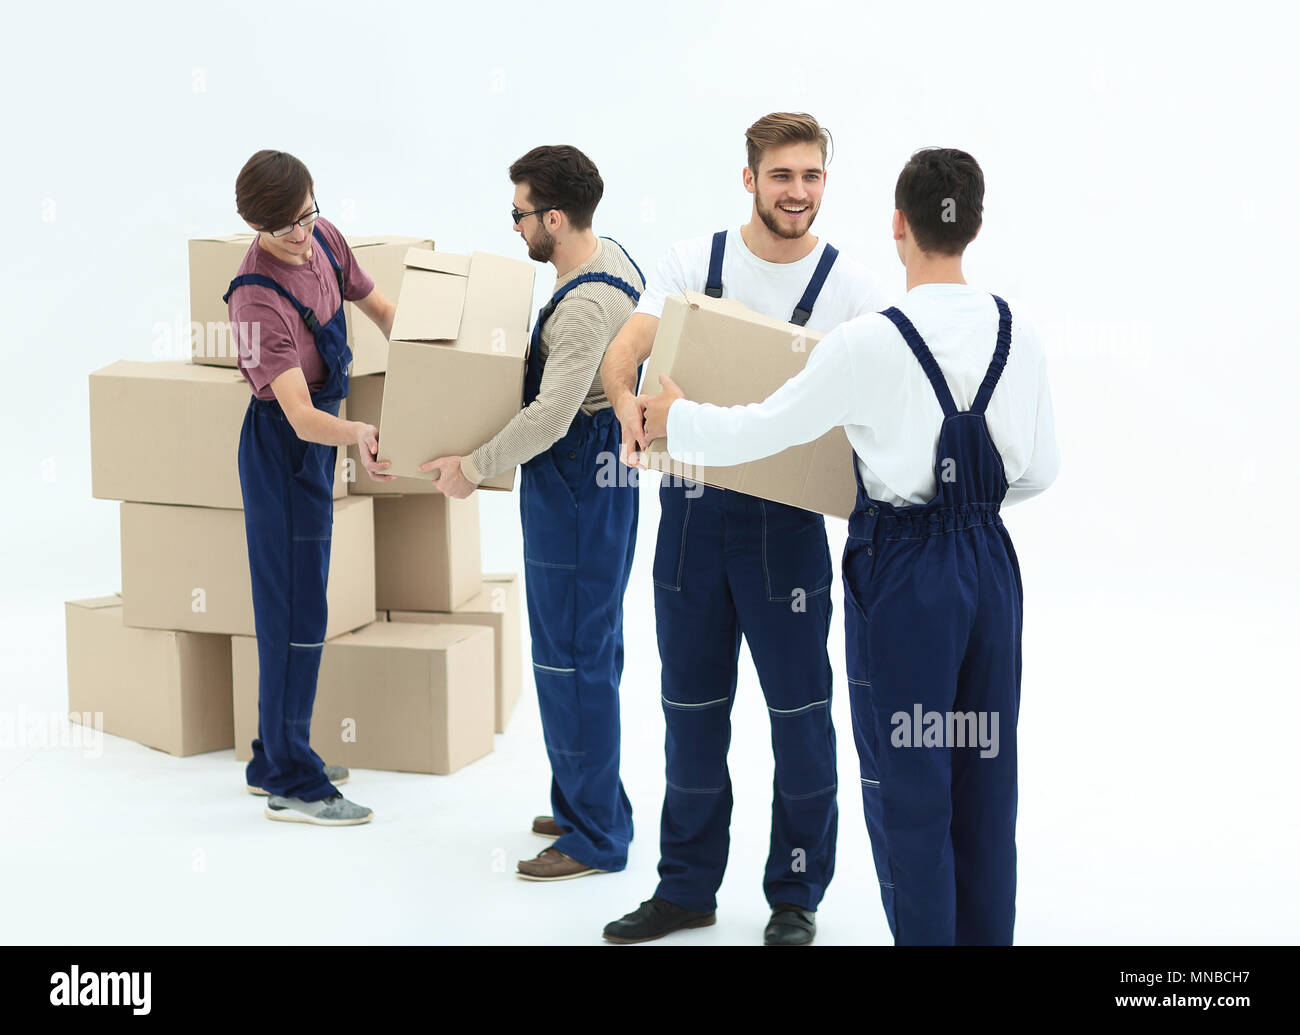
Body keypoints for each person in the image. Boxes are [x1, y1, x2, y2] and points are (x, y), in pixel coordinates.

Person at [642, 147, 1061, 944]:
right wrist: (970, 508)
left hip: (905, 574)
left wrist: (677, 420)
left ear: (898, 224)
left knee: (910, 789)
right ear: (974, 225)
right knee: (985, 781)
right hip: (990, 570)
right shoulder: (1021, 331)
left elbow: (763, 430)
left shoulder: (870, 342)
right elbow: (1039, 472)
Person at [599, 113, 890, 945]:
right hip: (689, 519)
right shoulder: (699, 263)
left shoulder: (855, 289)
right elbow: (630, 345)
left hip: (787, 531)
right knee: (691, 714)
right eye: (781, 176)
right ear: (750, 179)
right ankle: (686, 887)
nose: (796, 192)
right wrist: (627, 404)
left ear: (825, 180)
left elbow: (896, 380)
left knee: (800, 719)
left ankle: (795, 894)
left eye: (811, 176)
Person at [418, 146, 645, 880]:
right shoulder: (611, 256)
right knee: (592, 647)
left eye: (519, 214)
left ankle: (594, 838)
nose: (514, 228)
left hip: (576, 473)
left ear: (554, 216)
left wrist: (473, 467)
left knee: (569, 655)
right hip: (596, 469)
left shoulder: (581, 306)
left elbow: (549, 417)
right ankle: (592, 800)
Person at [225, 149, 395, 826]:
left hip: (316, 446)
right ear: (258, 226)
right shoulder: (255, 296)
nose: (301, 235)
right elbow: (298, 413)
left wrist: (436, 359)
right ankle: (293, 781)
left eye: (305, 215)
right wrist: (357, 436)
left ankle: (273, 754)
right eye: (284, 228)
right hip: (282, 450)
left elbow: (381, 306)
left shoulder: (324, 236)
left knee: (301, 601)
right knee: (295, 612)